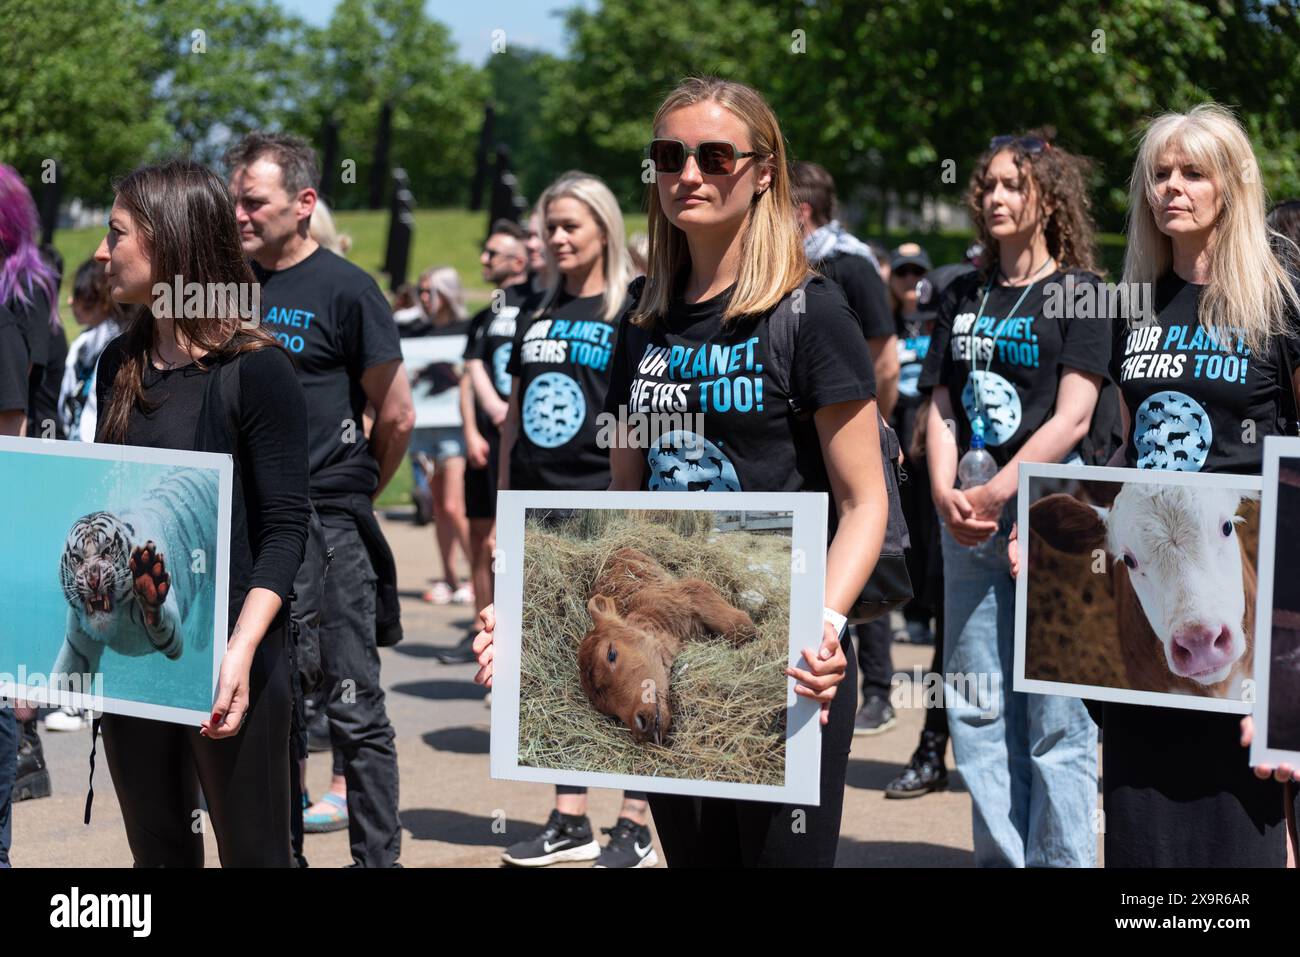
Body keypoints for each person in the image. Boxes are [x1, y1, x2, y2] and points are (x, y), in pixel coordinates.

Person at [477, 78, 888, 867]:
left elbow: (865, 501)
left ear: (763, 170)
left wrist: (824, 626)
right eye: (669, 156)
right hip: (673, 660)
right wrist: (521, 616)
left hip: (792, 663)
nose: (688, 174)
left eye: (714, 155)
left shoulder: (812, 312)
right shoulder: (642, 321)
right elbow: (625, 498)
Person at [1092, 105, 1300, 866]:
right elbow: (1122, 453)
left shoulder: (1278, 307)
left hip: (1247, 607)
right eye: (1160, 173)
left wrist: (1289, 681)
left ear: (1232, 184)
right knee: (1145, 842)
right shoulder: (1131, 308)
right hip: (1156, 608)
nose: (1170, 187)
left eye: (1192, 172)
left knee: (1240, 848)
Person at [89, 158, 310, 866]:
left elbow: (285, 529)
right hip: (135, 659)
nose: (101, 251)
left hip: (229, 659)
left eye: (115, 233)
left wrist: (240, 653)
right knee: (156, 854)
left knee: (255, 854)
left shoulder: (257, 369)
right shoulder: (116, 366)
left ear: (170, 243)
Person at [918, 130, 1114, 867]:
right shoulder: (963, 293)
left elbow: (1073, 415)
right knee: (976, 706)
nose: (996, 198)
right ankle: (1003, 859)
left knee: (1059, 718)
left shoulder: (1083, 292)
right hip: (966, 526)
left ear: (1049, 198)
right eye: (988, 186)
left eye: (1013, 185)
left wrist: (1001, 491)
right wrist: (943, 491)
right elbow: (940, 402)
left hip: (1055, 523)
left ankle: (1059, 861)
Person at [226, 131, 413, 868]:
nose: (239, 214)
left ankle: (377, 860)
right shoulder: (226, 288)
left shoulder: (347, 289)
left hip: (329, 524)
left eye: (253, 201)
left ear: (304, 203)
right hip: (252, 526)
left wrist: (355, 484)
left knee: (353, 706)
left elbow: (394, 412)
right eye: (234, 200)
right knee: (275, 711)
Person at [489, 171, 658, 868]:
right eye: (549, 227)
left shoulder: (635, 308)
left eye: (571, 226)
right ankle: (569, 818)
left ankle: (638, 821)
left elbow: (640, 420)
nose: (557, 239)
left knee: (630, 654)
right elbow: (510, 423)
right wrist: (502, 507)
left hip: (605, 503)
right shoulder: (535, 310)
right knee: (567, 659)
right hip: (537, 506)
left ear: (604, 228)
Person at [790, 161, 901, 738]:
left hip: (855, 426)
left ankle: (878, 689)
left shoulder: (850, 267)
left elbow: (884, 357)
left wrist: (872, 426)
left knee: (863, 569)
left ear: (801, 212)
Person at [434, 221, 532, 665]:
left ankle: (515, 629)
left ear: (519, 259)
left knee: (506, 539)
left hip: (520, 436)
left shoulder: (538, 304)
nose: (484, 261)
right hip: (484, 441)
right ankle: (480, 625)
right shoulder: (484, 316)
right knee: (478, 533)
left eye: (493, 254)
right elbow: (468, 377)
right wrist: (471, 431)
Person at [410, 266, 474, 606]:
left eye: (430, 291)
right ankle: (450, 577)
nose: (424, 298)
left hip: (455, 428)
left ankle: (476, 575)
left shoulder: (467, 329)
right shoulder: (415, 330)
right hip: (424, 427)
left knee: (453, 504)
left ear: (447, 293)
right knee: (438, 506)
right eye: (421, 291)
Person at [58, 259, 123, 444]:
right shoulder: (83, 343)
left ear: (102, 299)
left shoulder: (118, 347)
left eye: (79, 295)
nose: (70, 301)